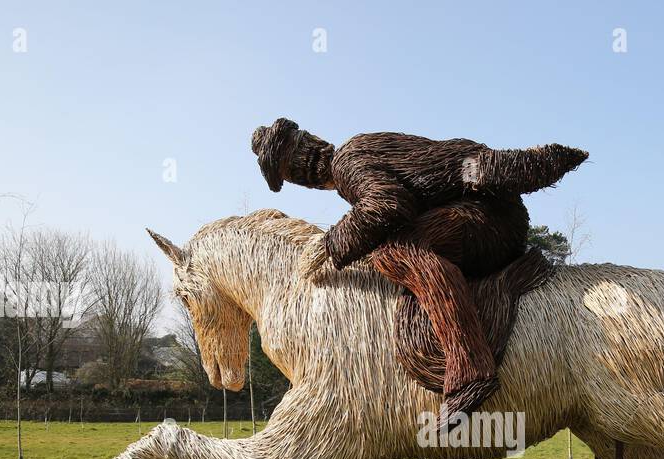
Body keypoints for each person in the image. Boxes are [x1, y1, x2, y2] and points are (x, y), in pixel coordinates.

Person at [249, 118, 586, 418]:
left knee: (396, 252)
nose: (303, 168)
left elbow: (389, 205)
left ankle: (470, 367)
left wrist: (331, 244)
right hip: (491, 213)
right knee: (387, 250)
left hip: (489, 218)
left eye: (294, 169)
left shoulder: (348, 162)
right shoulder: (356, 152)